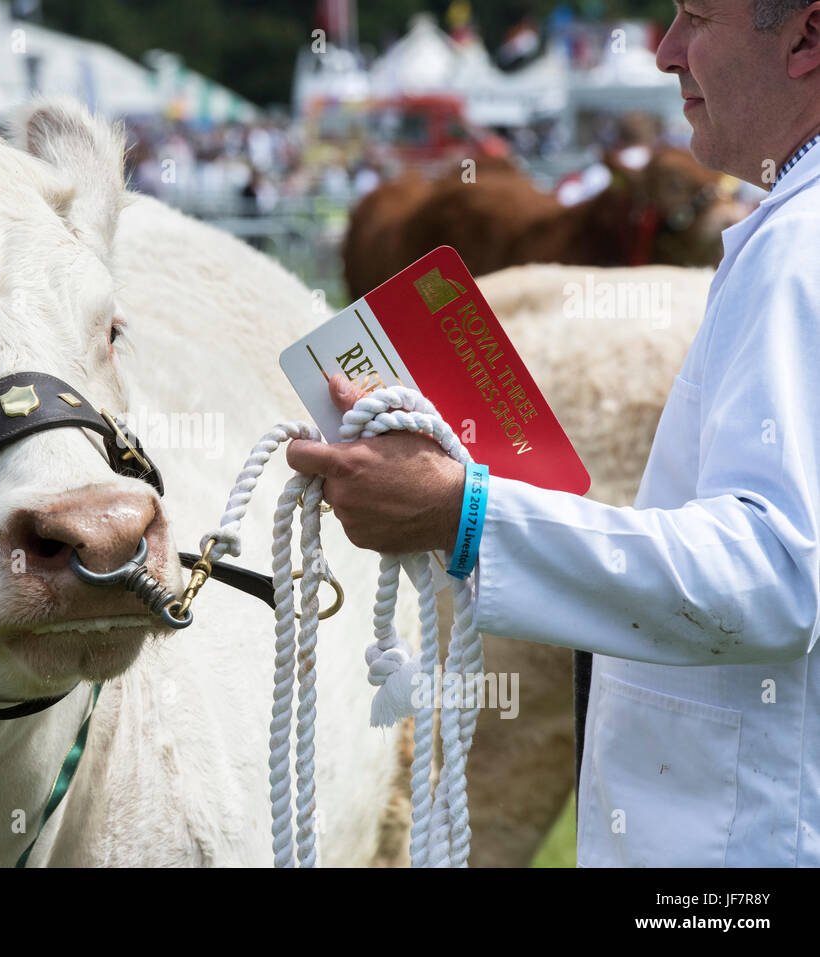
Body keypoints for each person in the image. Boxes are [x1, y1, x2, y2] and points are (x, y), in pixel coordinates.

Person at [287, 0, 820, 866]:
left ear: (806, 37)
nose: (666, 53)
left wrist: (464, 516)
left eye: (697, 18)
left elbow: (776, 574)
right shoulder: (787, 230)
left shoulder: (802, 246)